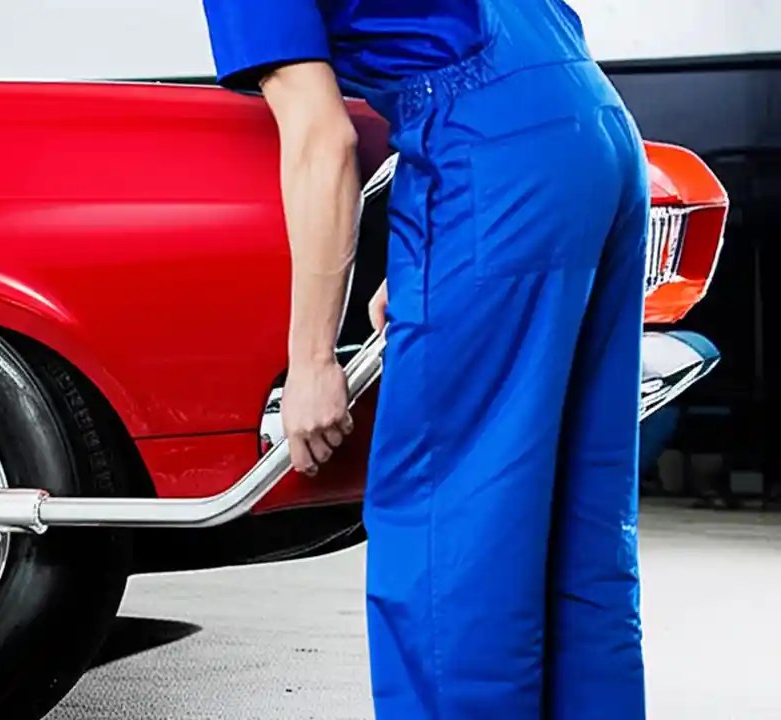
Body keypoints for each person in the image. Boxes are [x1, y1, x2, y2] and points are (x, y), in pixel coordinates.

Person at [201, 1, 649, 718]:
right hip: (593, 133)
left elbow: (322, 139)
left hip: (492, 157)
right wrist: (439, 249)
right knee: (578, 535)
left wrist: (312, 357)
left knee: (452, 532)